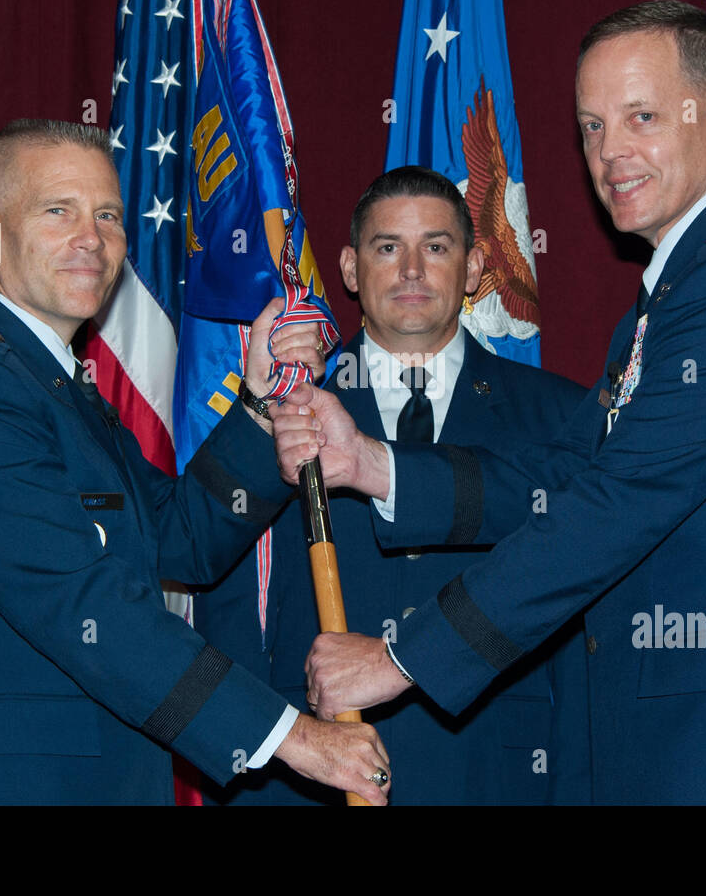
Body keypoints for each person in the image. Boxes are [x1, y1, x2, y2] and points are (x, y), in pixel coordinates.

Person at [279, 1, 706, 804]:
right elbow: (568, 474)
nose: (611, 152)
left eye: (641, 116)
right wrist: (374, 465)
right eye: (591, 126)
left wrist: (399, 659)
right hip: (687, 753)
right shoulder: (669, 301)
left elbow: (612, 509)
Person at [0, 119, 390, 805]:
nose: (91, 237)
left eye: (108, 214)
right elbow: (87, 607)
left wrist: (261, 406)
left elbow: (177, 536)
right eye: (58, 210)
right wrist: (292, 735)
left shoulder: (56, 383)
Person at [196, 166, 589, 805]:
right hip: (314, 780)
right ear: (350, 269)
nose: (411, 269)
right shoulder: (283, 412)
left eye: (436, 246)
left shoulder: (559, 420)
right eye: (387, 247)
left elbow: (579, 633)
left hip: (500, 777)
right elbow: (232, 612)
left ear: (474, 265)